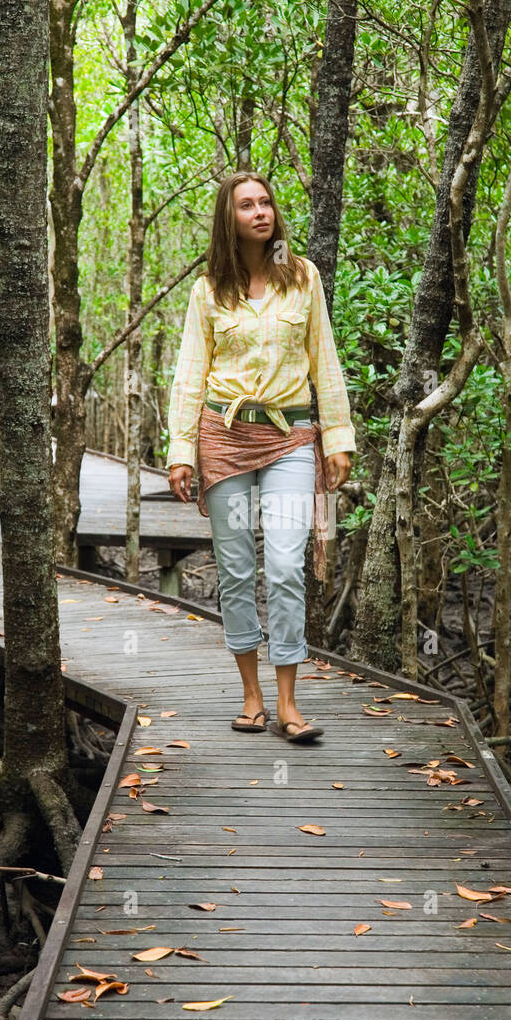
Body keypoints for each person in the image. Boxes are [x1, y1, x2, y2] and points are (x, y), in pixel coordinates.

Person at [166, 171, 356, 743]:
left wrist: (338, 437)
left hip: (292, 435)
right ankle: (250, 698)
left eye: (266, 202)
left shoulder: (303, 278)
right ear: (230, 218)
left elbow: (325, 358)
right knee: (237, 571)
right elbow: (190, 374)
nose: (260, 211)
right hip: (223, 436)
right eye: (246, 205)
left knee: (284, 566)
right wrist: (181, 451)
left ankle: (288, 704)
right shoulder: (209, 290)